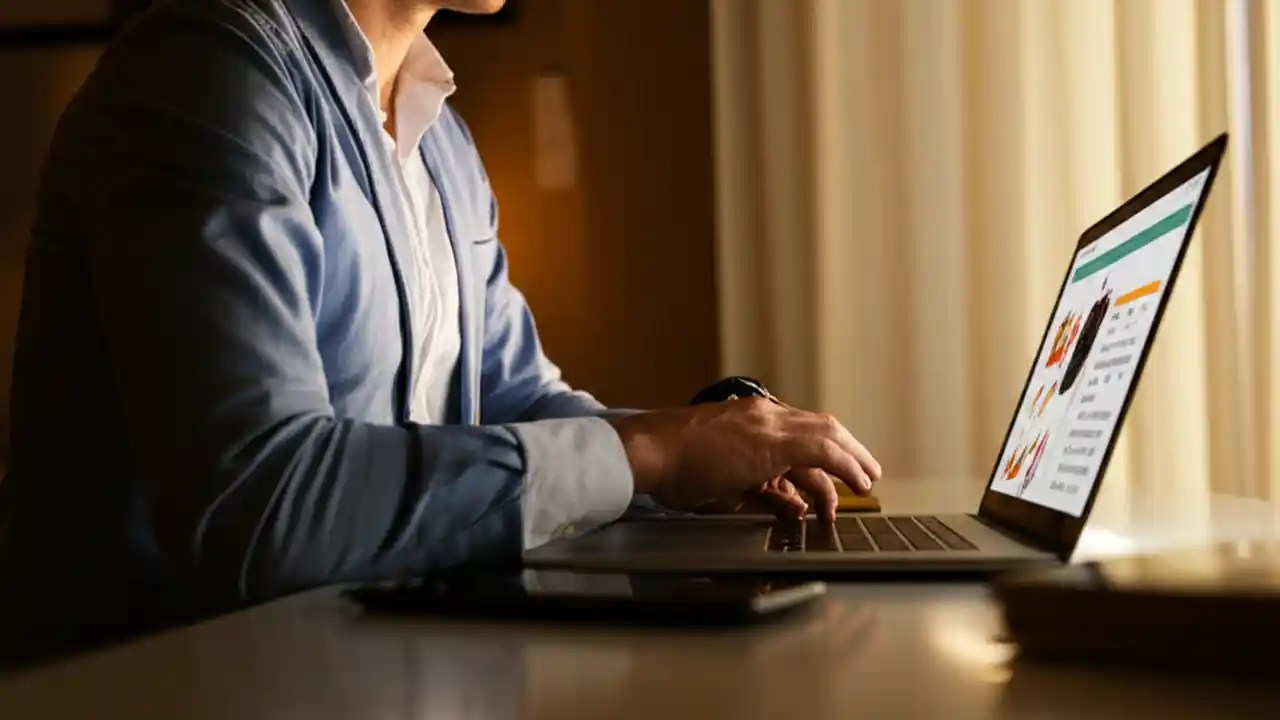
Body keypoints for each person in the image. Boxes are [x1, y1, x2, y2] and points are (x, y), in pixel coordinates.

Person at [0, 0, 880, 661]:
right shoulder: (207, 73)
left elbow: (517, 400)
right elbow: (261, 505)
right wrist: (649, 454)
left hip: (360, 662)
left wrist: (702, 461)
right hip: (166, 683)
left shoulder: (440, 136)